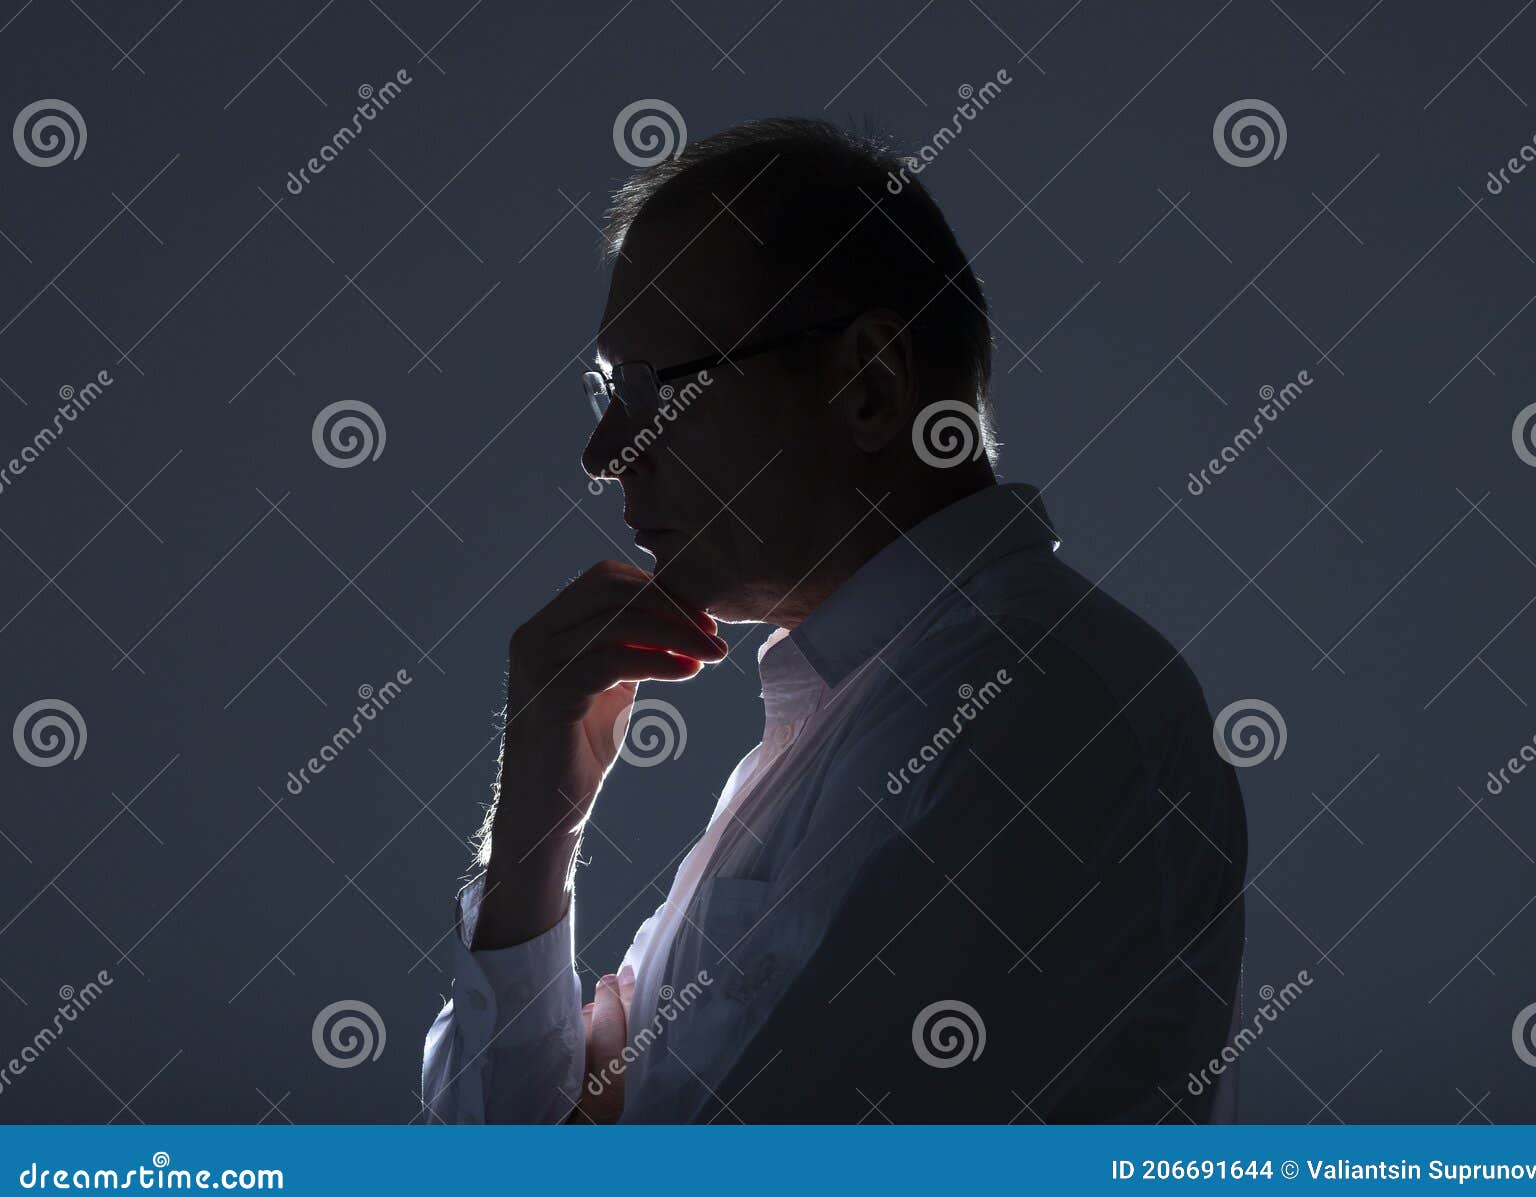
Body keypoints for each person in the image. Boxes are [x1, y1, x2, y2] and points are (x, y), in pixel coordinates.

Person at [421, 117, 1246, 1123]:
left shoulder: (1031, 706)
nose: (604, 453)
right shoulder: (861, 717)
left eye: (650, 389)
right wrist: (531, 835)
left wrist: (604, 1115)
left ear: (867, 385)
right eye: (607, 390)